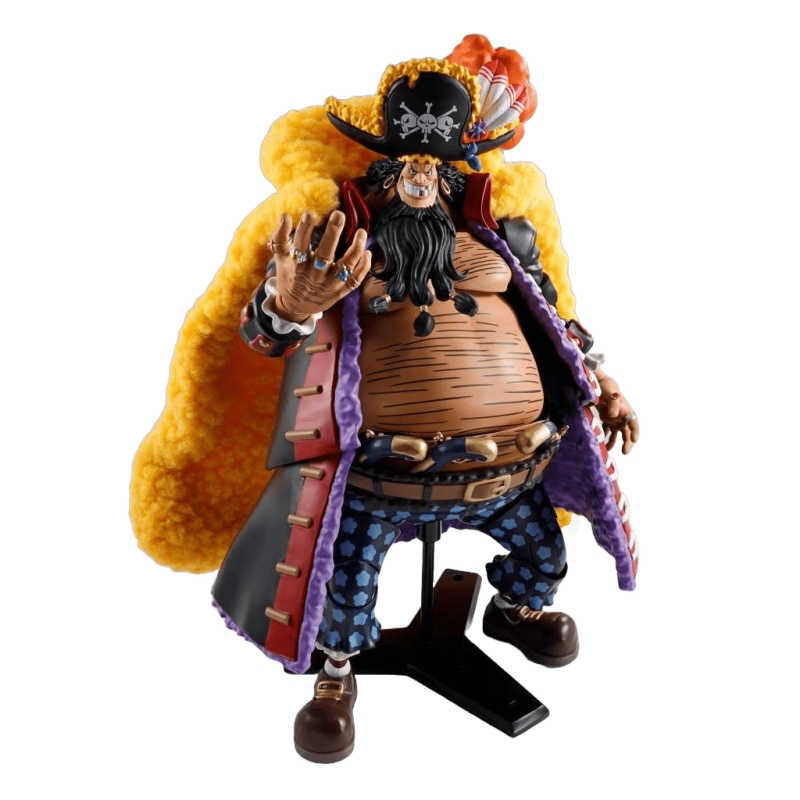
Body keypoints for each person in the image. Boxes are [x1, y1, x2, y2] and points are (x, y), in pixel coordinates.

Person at [131, 37, 639, 765]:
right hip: (380, 475)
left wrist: (606, 388)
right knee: (345, 586)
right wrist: (290, 304)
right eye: (405, 164)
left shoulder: (505, 237)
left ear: (461, 166)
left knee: (544, 554)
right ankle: (336, 675)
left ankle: (513, 610)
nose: (420, 178)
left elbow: (558, 323)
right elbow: (258, 332)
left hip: (508, 469)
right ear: (380, 164)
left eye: (435, 165)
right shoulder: (334, 242)